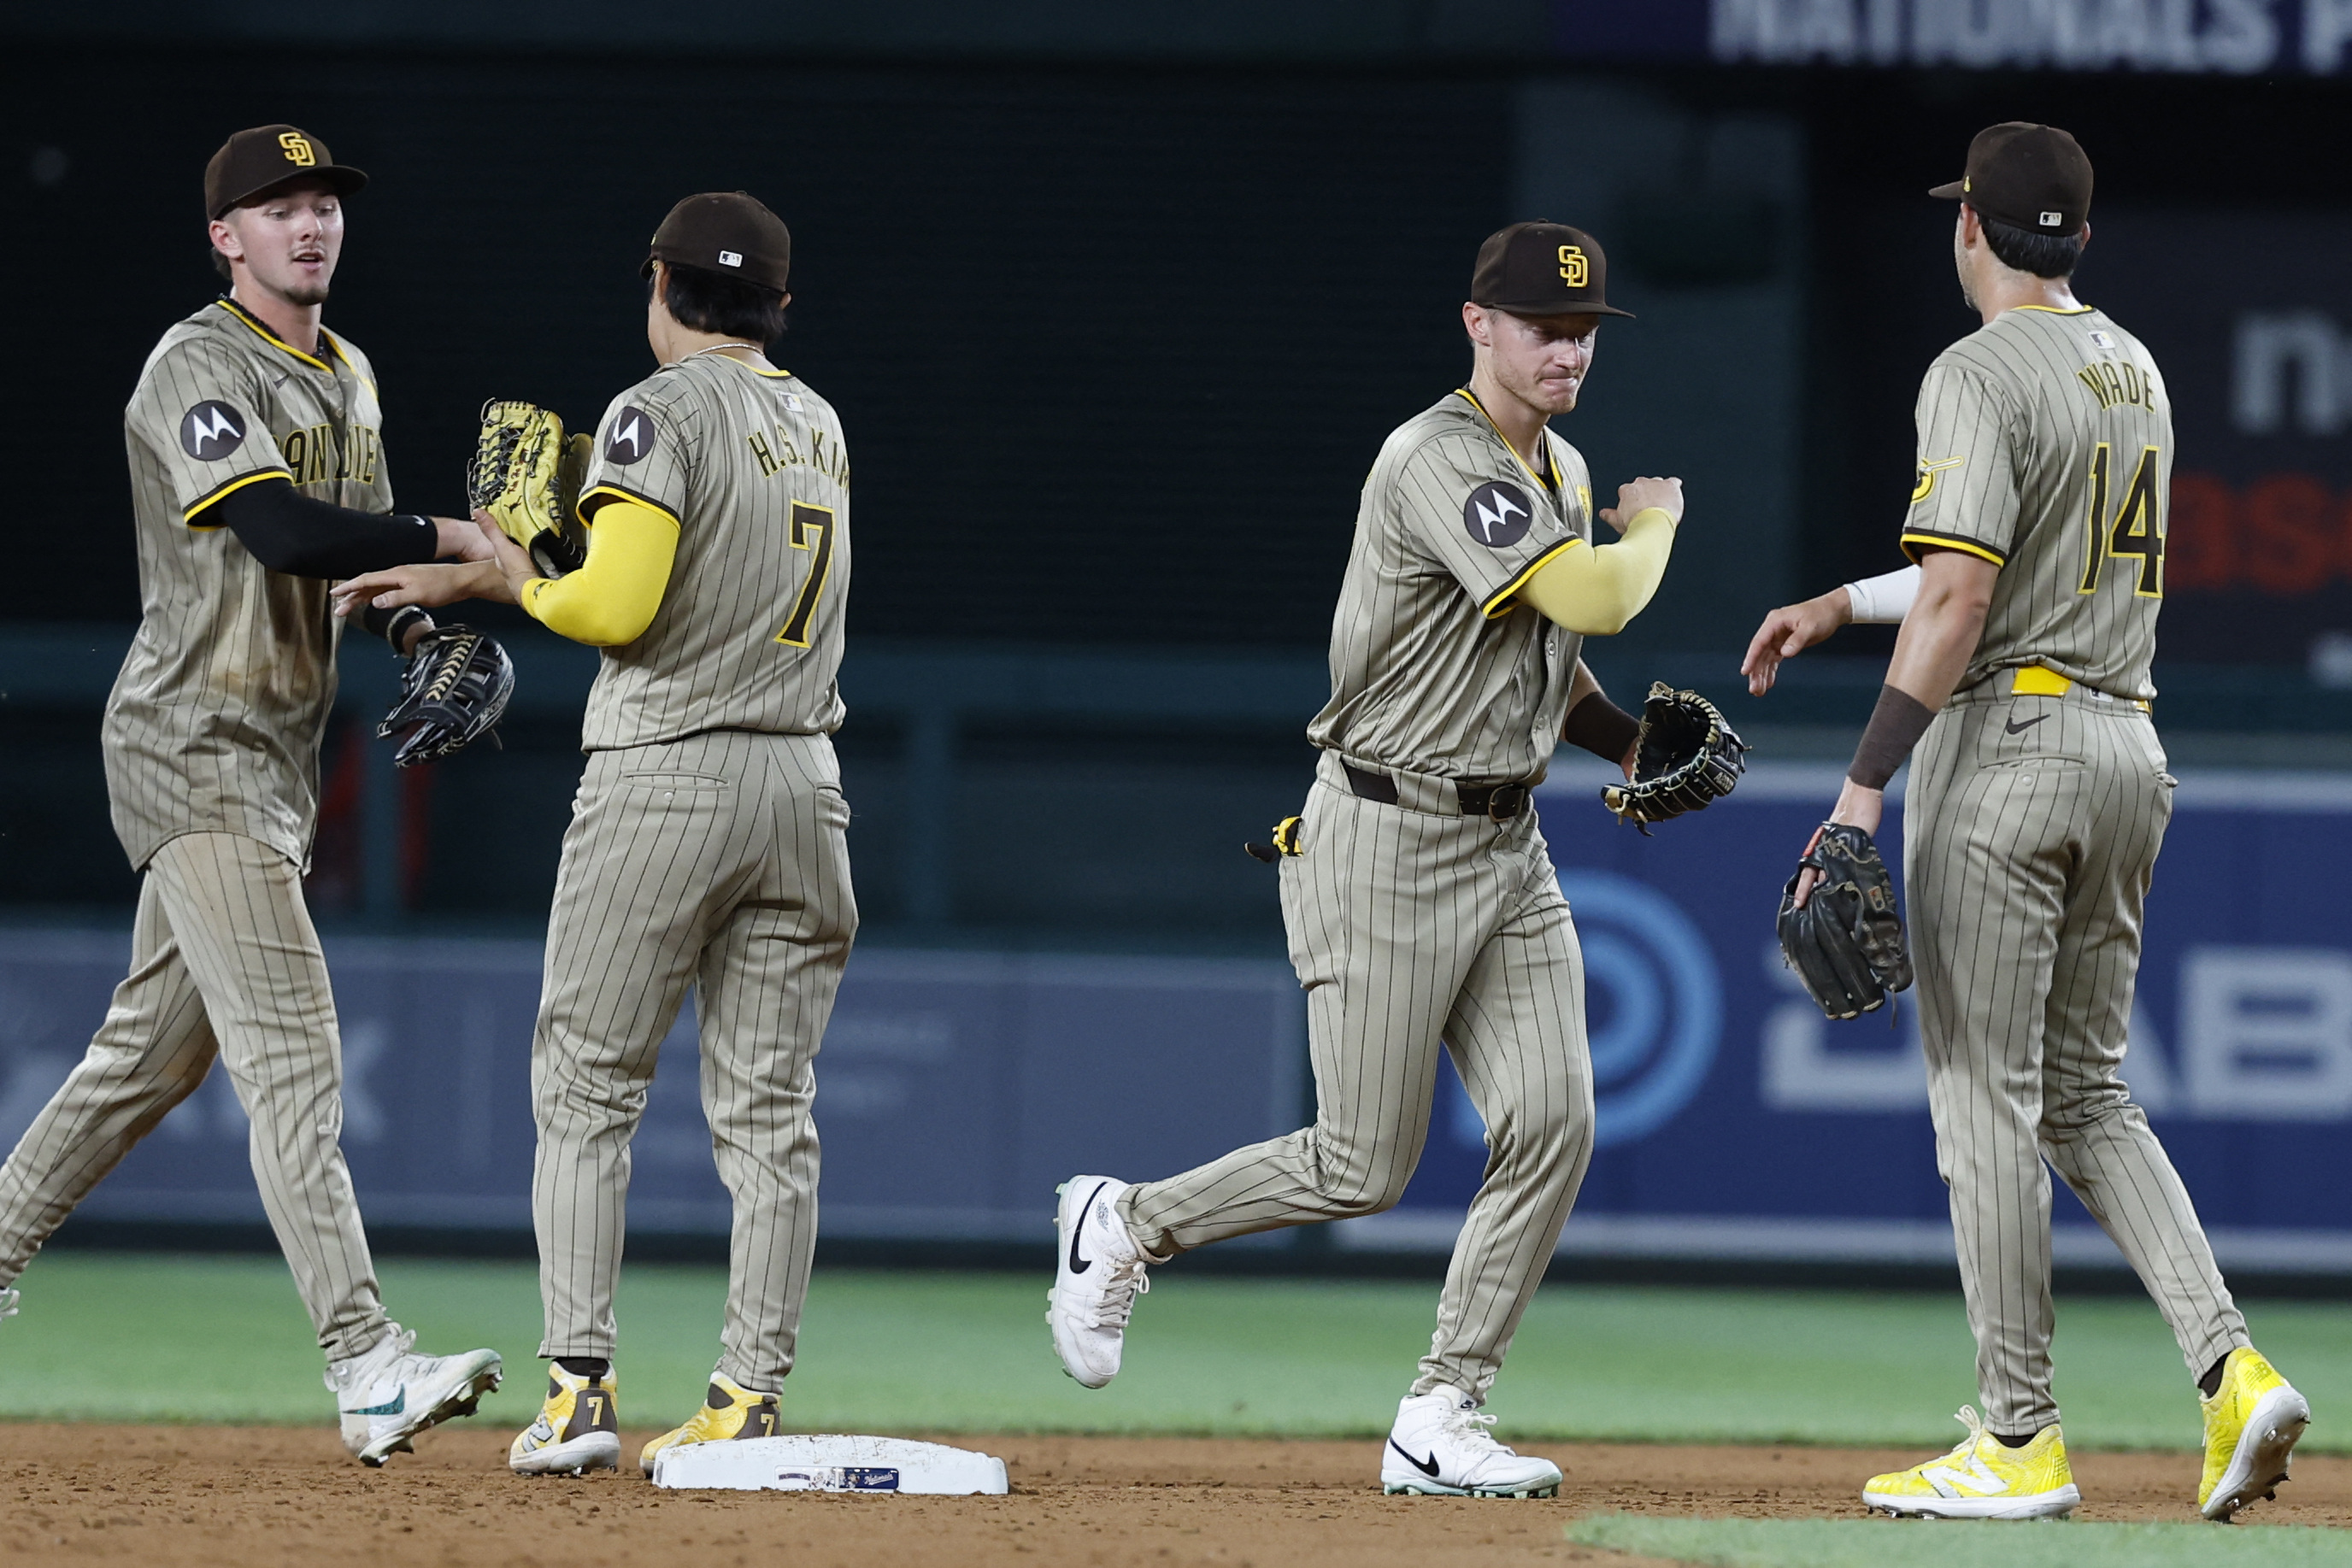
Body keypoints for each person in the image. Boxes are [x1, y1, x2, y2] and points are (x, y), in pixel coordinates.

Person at [1046, 223, 1685, 1499]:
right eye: (1544, 328)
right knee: (1361, 1165)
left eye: (1584, 332)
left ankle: (1443, 1411)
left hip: (1509, 843)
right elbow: (1599, 597)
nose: (1568, 351)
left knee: (1554, 1122)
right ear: (1478, 325)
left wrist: (1624, 740)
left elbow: (1549, 655)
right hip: (1385, 834)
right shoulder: (1436, 455)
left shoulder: (1560, 468)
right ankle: (1125, 1220)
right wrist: (1656, 524)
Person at [1743, 123, 2308, 1523]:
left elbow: (1965, 597)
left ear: (1970, 229)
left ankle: (2017, 1438)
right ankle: (2233, 1370)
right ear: (2081, 238)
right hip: (2127, 744)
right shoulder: (2134, 365)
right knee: (2083, 1094)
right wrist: (1844, 602)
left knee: (1983, 1093)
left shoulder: (1975, 368)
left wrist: (1864, 783)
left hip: (2010, 748)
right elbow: (1993, 561)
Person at [0, 125, 503, 1465]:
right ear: (227, 238)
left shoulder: (352, 374)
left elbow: (353, 574)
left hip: (274, 757)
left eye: (323, 201)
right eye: (279, 207)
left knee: (146, 1062)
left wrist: (421, 625)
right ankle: (366, 1360)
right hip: (192, 740)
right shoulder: (197, 365)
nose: (311, 222)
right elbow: (279, 529)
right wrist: (451, 537)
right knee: (292, 1047)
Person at [334, 191, 855, 1477]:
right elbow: (695, 574)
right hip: (805, 789)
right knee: (771, 1114)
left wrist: (517, 573)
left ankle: (577, 1394)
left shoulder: (650, 411)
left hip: (668, 777)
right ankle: (746, 1401)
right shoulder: (818, 421)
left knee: (585, 1087)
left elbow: (616, 609)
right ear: (780, 306)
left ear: (660, 285)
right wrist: (497, 567)